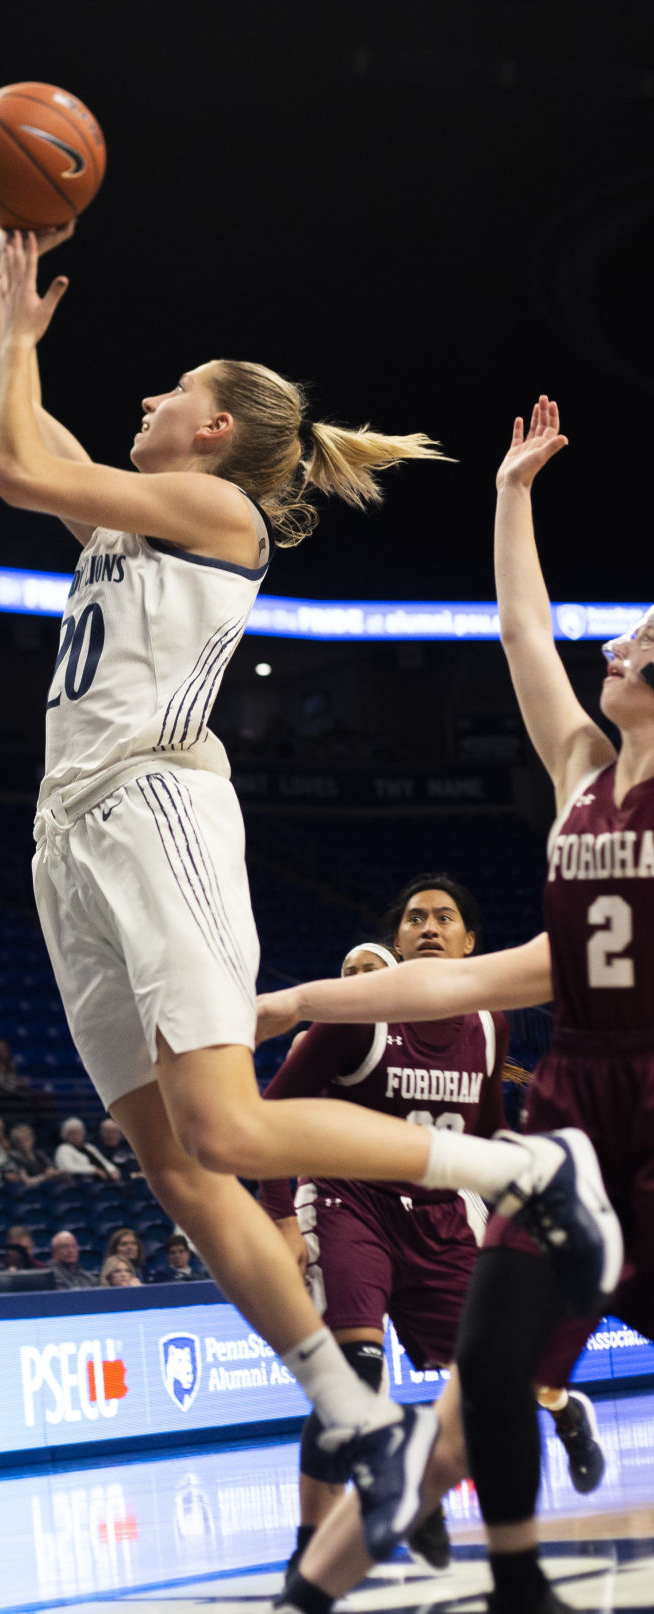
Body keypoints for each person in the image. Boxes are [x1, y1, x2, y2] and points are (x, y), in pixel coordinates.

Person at [0, 227, 616, 1556]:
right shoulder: (133, 505)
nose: (146, 400)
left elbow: (17, 455)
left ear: (212, 430)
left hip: (154, 799)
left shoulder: (222, 512)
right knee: (180, 1166)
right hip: (68, 831)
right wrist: (9, 323)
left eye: (167, 392)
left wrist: (16, 330)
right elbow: (21, 461)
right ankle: (351, 1408)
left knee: (234, 1126)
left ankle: (510, 1165)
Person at [259, 399, 641, 1614]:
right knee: (483, 1368)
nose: (616, 644)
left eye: (637, 636)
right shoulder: (583, 779)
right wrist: (511, 496)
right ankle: (386, 1590)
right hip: (570, 1103)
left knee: (502, 1371)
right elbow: (524, 634)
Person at [261, 897, 599, 1580]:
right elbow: (266, 1117)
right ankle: (310, 1549)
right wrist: (281, 1218)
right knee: (354, 1375)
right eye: (413, 919)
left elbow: (485, 1135)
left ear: (469, 941)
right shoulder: (348, 1024)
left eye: (442, 917)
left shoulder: (485, 1024)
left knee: (492, 1385)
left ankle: (553, 1416)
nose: (427, 927)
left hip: (442, 1212)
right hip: (347, 1198)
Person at [54, 1118, 120, 1180]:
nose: (76, 1136)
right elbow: (67, 1168)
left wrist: (112, 1170)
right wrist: (94, 1170)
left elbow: (103, 1161)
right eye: (72, 1134)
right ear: (65, 1135)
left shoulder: (89, 1147)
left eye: (78, 1133)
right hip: (81, 1182)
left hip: (101, 1179)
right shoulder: (63, 1149)